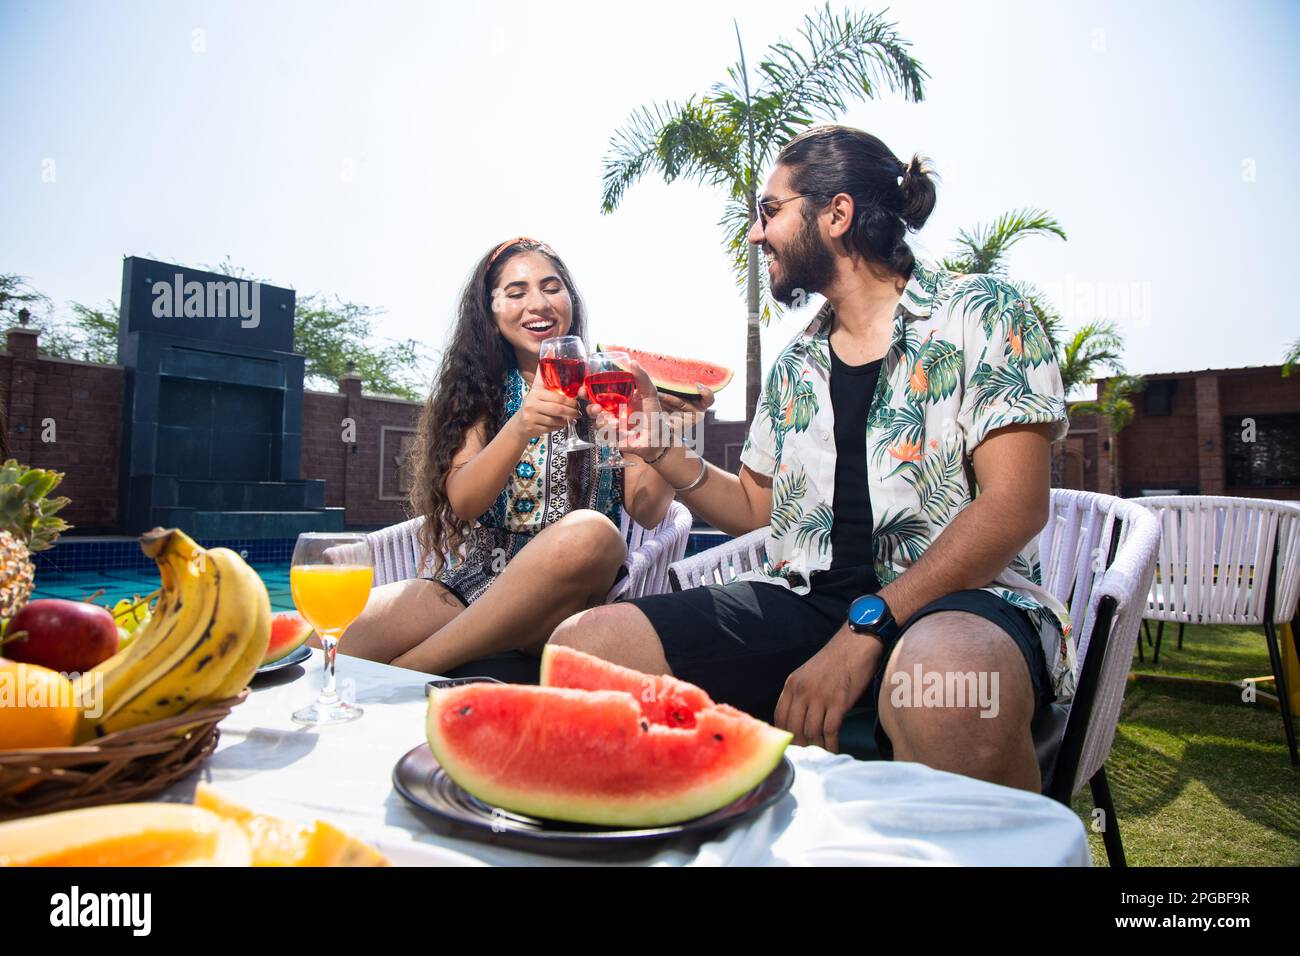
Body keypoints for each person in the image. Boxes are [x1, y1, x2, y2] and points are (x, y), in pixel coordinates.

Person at [549, 126, 1074, 794]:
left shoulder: (982, 311)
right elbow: (754, 509)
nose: (755, 234)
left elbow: (1014, 505)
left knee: (940, 687)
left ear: (837, 214)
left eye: (770, 211)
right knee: (586, 649)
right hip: (806, 602)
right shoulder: (797, 360)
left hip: (961, 603)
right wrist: (659, 446)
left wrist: (870, 626)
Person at [343, 237, 675, 674]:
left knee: (591, 532)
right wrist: (520, 425)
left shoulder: (610, 381)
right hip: (478, 582)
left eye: (551, 287)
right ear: (491, 311)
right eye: (516, 293)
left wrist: (655, 425)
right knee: (328, 634)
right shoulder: (481, 393)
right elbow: (463, 502)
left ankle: (415, 668)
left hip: (573, 601)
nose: (537, 304)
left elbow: (649, 511)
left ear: (570, 298)